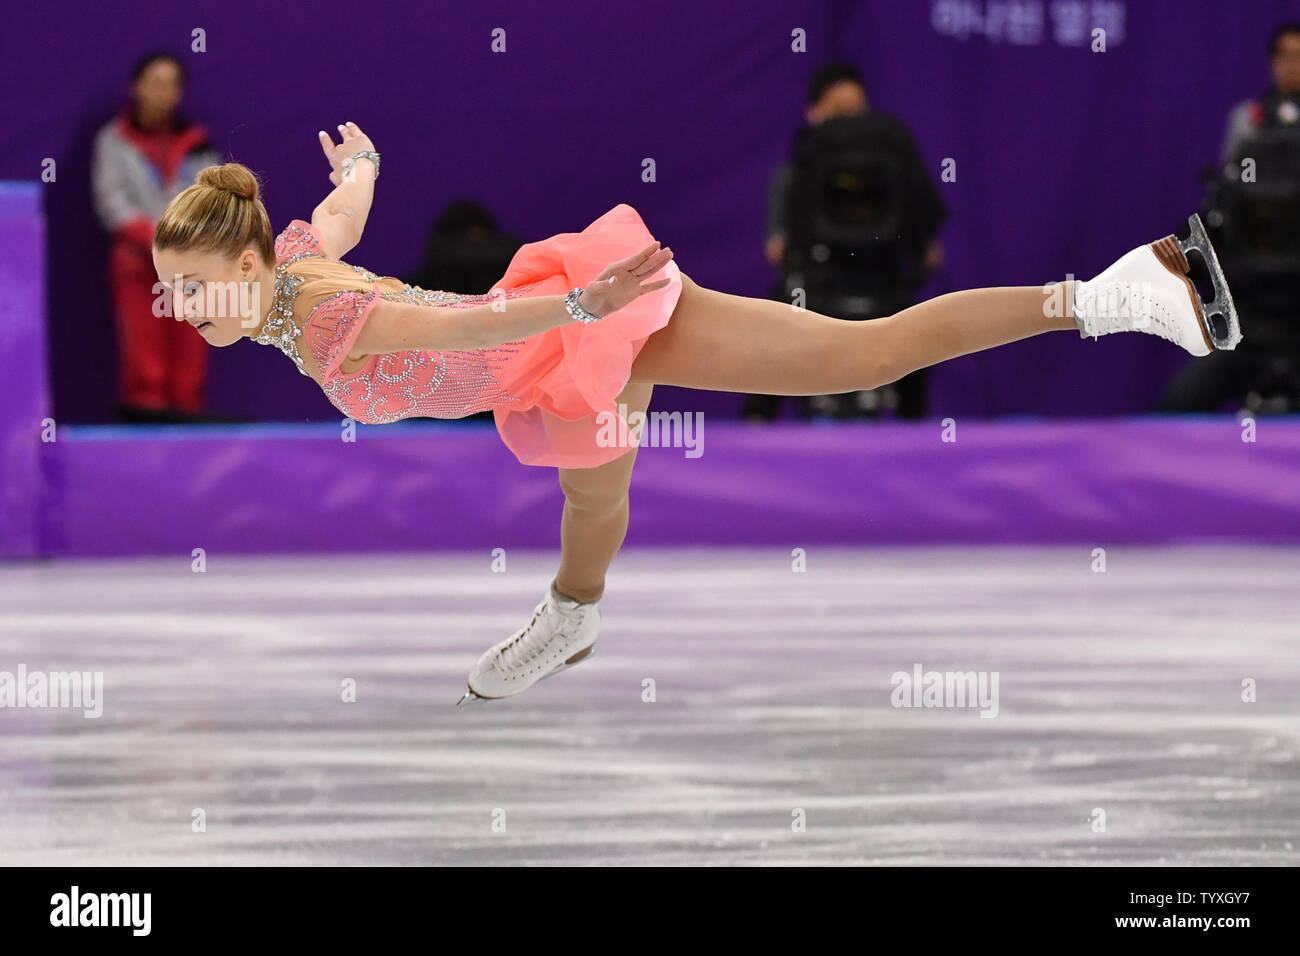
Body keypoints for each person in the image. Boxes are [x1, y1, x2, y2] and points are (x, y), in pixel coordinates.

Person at [150, 123, 1239, 705]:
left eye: (198, 287)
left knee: (852, 356)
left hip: (564, 334)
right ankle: (573, 618)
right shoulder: (287, 273)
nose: (183, 307)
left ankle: (1110, 296)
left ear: (243, 265)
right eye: (176, 289)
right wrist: (368, 167)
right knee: (596, 501)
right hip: (564, 350)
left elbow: (461, 335)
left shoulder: (331, 323)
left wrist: (580, 307)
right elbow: (335, 220)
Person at [754, 62, 945, 421]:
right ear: (813, 113)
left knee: (920, 324)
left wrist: (920, 246)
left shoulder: (894, 173)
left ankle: (914, 432)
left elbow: (926, 237)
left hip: (883, 281)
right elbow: (777, 247)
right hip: (815, 283)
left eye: (855, 112)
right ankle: (756, 429)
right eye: (838, 113)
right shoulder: (795, 175)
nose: (848, 124)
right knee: (771, 322)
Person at [92, 51, 221, 422]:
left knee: (188, 374)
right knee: (144, 370)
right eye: (154, 82)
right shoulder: (113, 141)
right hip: (138, 268)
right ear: (137, 87)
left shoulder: (198, 142)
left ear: (180, 93)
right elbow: (111, 200)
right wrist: (156, 241)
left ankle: (189, 461)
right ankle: (141, 460)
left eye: (170, 84)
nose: (161, 91)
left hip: (192, 272)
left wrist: (188, 243)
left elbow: (211, 198)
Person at [1219, 21, 1300, 167]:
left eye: (1298, 55)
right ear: (1273, 61)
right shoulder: (1249, 116)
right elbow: (1237, 175)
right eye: (1285, 55)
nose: (1292, 64)